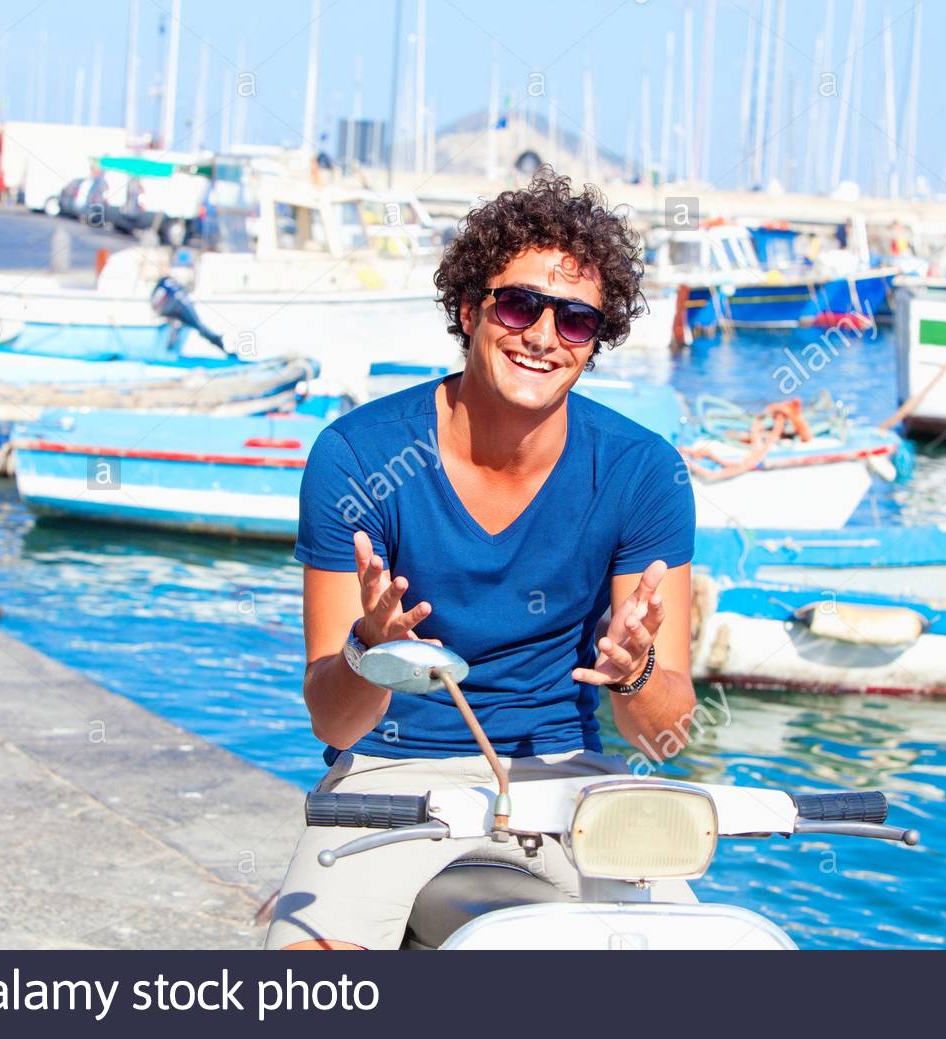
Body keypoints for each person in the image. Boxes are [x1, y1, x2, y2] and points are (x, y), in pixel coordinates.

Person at [266, 170, 699, 950]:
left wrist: (633, 674)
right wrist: (370, 652)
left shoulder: (644, 473)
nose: (541, 334)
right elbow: (330, 718)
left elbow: (664, 730)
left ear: (594, 342)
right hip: (392, 774)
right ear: (468, 309)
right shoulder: (357, 457)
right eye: (517, 304)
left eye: (574, 320)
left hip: (568, 778)